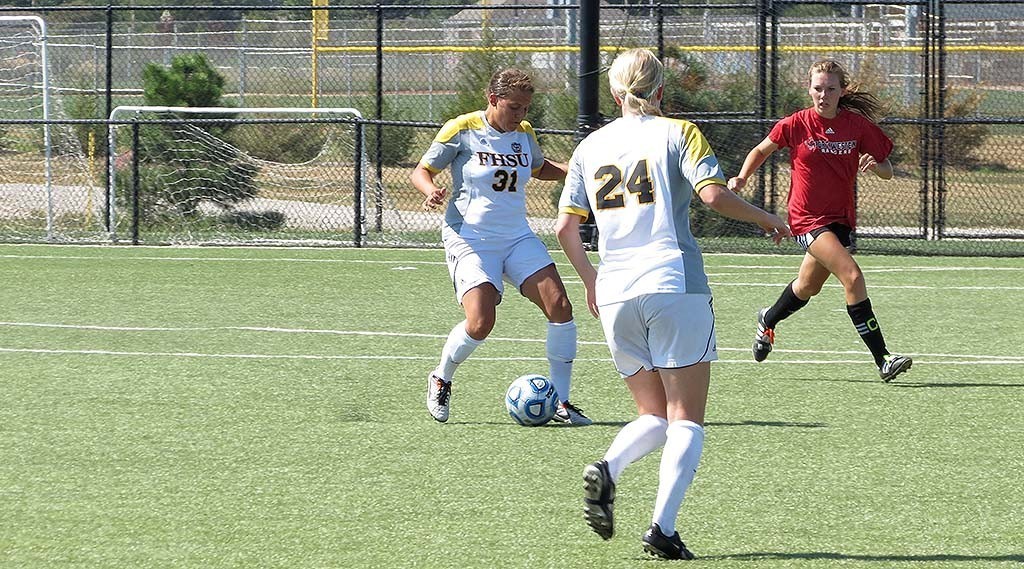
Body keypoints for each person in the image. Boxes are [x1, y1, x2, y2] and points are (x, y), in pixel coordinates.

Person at [555, 49, 790, 560]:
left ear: (615, 95)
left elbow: (565, 227)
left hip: (615, 291)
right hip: (672, 281)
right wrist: (767, 218)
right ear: (659, 91)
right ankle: (661, 528)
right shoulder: (678, 131)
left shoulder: (589, 146)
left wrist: (592, 281)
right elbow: (712, 196)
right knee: (686, 418)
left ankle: (610, 468)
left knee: (652, 414)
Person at [410, 68, 591, 426]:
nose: (520, 115)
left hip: (516, 236)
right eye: (513, 107)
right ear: (493, 100)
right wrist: (430, 190)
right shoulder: (461, 128)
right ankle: (441, 377)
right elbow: (421, 170)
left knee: (560, 305)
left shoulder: (523, 133)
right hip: (470, 238)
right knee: (480, 321)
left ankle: (562, 402)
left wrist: (577, 168)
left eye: (525, 109)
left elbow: (539, 168)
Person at [728, 60, 913, 382]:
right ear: (809, 88)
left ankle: (768, 319)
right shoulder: (796, 123)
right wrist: (742, 178)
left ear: (842, 91)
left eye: (830, 88)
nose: (823, 95)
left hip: (840, 219)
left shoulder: (856, 126)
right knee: (852, 276)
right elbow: (760, 150)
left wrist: (877, 167)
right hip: (806, 219)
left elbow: (887, 170)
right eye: (817, 88)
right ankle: (883, 358)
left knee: (807, 287)